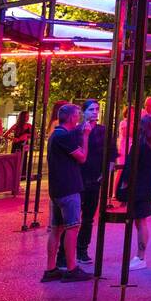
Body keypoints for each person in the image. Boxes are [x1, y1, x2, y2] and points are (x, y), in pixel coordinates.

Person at [42, 104, 92, 283]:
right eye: (77, 115)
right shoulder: (64, 136)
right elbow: (82, 157)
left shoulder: (56, 135)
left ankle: (51, 268)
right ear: (71, 118)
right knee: (72, 228)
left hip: (57, 188)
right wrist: (85, 136)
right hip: (68, 188)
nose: (79, 118)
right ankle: (72, 268)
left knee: (56, 229)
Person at [118, 114, 151, 271]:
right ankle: (140, 255)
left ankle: (140, 256)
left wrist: (123, 184)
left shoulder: (138, 145)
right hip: (150, 184)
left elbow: (130, 167)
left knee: (140, 221)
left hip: (137, 185)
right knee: (141, 220)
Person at [74, 100, 107, 265]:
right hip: (78, 177)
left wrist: (104, 173)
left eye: (97, 109)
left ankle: (82, 249)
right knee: (73, 217)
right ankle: (66, 252)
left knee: (88, 217)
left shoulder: (102, 130)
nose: (95, 112)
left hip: (94, 178)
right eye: (92, 109)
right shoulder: (77, 130)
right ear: (84, 112)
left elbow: (110, 153)